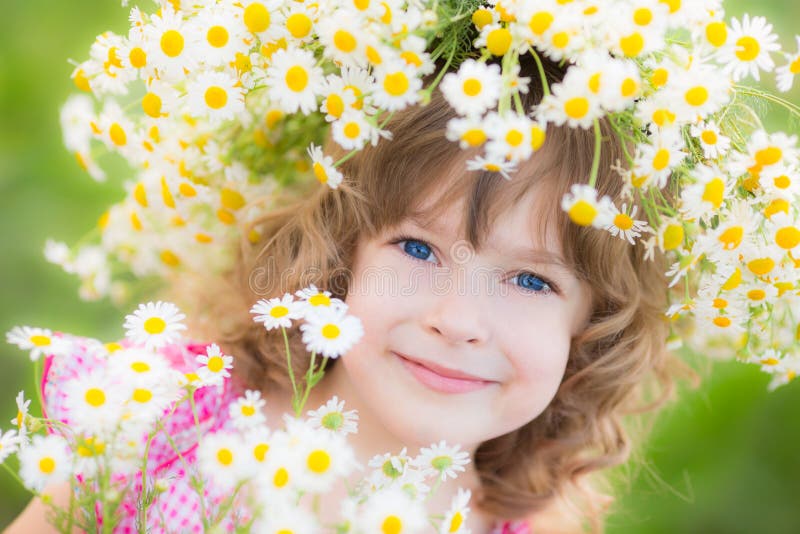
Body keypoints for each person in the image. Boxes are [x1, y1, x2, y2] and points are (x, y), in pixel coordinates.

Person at [5, 51, 684, 534]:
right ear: (341, 254)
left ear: (593, 328)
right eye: (416, 248)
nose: (456, 320)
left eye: (532, 280)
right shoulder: (168, 426)